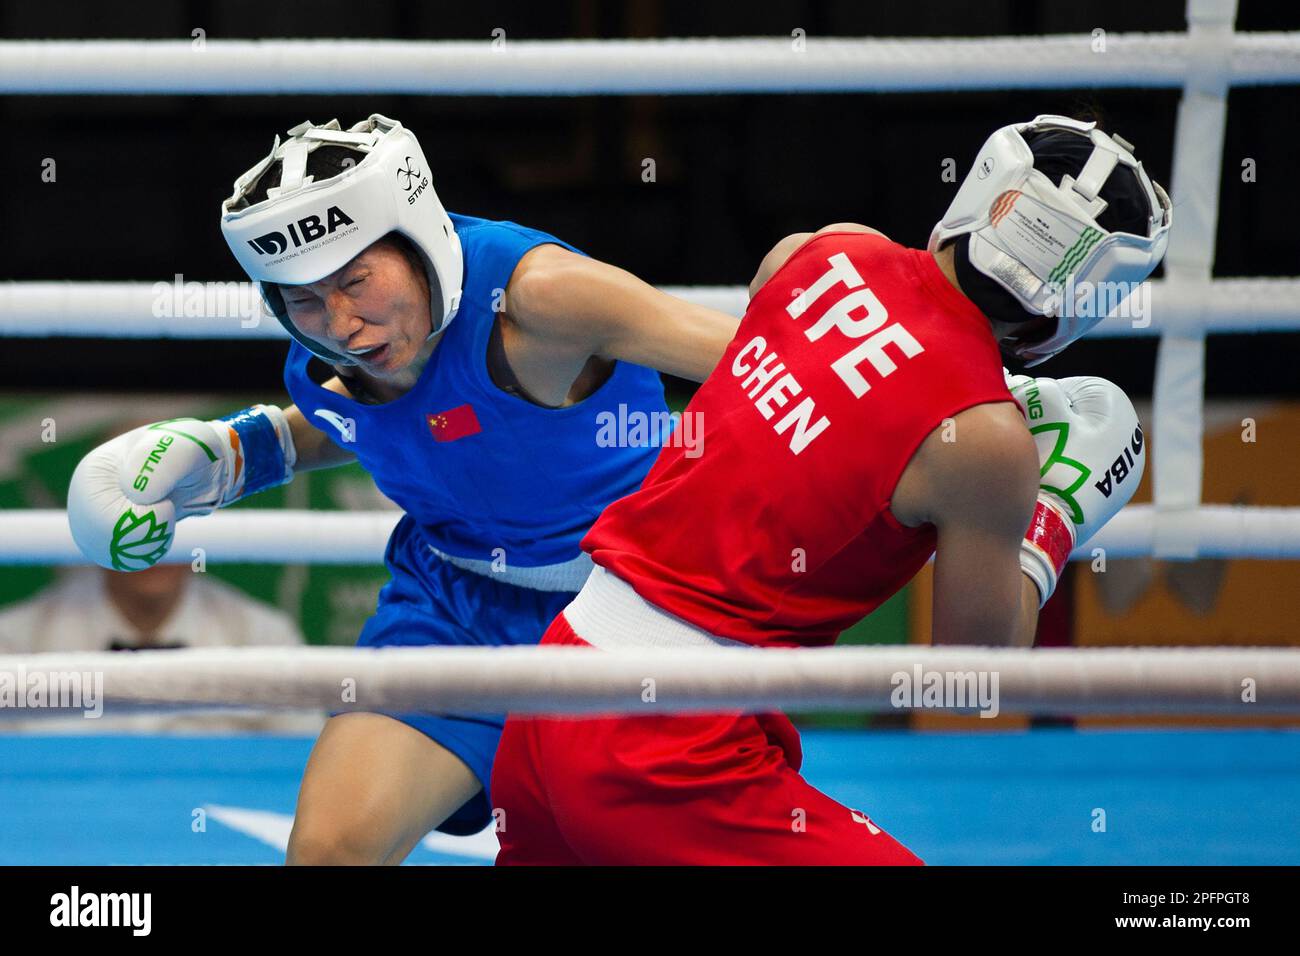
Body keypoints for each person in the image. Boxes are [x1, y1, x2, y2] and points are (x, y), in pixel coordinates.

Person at [491, 114, 1172, 864]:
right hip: (664, 747)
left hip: (555, 682)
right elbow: (970, 677)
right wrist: (1053, 517)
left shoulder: (821, 251)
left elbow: (843, 394)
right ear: (1092, 292)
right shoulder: (983, 444)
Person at [66, 114, 739, 864]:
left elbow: (770, 364)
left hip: (633, 610)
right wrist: (232, 453)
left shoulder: (543, 299)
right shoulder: (331, 362)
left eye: (357, 281)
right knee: (329, 855)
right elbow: (380, 420)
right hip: (451, 610)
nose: (344, 325)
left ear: (419, 236)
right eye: (305, 301)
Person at [0, 562, 321, 734]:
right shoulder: (13, 641)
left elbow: (300, 779)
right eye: (127, 511)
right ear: (89, 517)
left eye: (172, 509)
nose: (150, 535)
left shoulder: (263, 637)